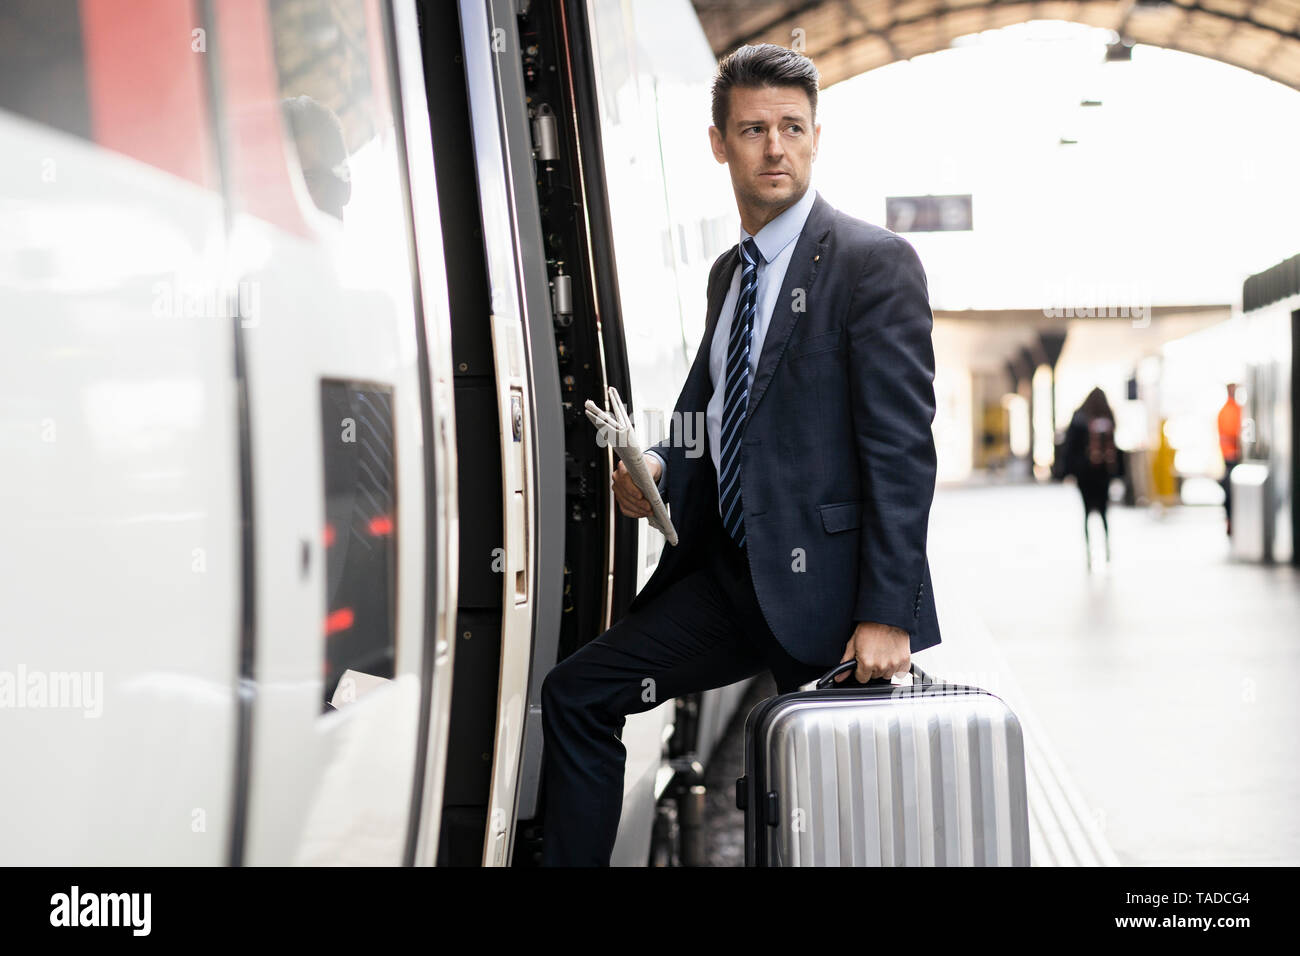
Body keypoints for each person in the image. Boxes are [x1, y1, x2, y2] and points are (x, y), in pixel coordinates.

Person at [539, 44, 940, 866]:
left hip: (829, 598)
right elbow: (703, 411)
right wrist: (654, 464)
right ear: (719, 143)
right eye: (754, 129)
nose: (776, 147)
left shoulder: (873, 264)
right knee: (579, 692)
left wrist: (888, 611)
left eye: (792, 127)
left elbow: (902, 451)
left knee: (828, 813)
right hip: (729, 580)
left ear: (817, 138)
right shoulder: (732, 275)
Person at [1063, 387, 1120, 568]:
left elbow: (1069, 448)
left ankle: (1089, 552)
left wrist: (1069, 472)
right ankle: (1107, 549)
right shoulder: (1107, 416)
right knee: (1103, 513)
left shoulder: (1079, 418)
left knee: (1087, 514)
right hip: (1102, 474)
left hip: (1085, 475)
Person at [1217, 383, 1242, 535]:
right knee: (1229, 490)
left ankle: (1234, 520)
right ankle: (1230, 520)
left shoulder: (1236, 409)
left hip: (1235, 455)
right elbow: (1230, 434)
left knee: (1231, 490)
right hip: (1230, 456)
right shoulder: (1227, 411)